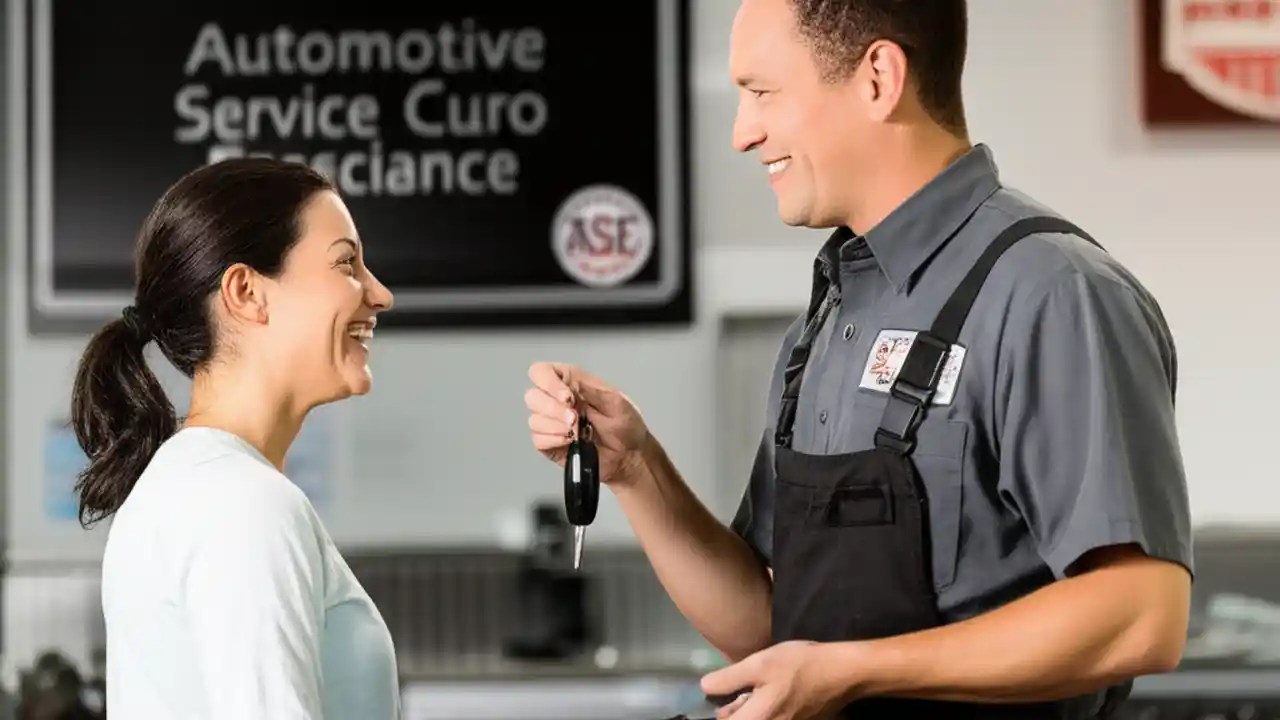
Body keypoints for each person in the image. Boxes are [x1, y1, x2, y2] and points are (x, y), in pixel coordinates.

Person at [524, 1, 1193, 718]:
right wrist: (637, 468)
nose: (743, 133)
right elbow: (769, 629)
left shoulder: (1050, 293)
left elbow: (1141, 614)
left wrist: (852, 672)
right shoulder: (830, 319)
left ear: (878, 77)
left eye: (761, 92)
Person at [69, 157, 399, 719]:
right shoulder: (244, 503)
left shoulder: (189, 482)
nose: (380, 294)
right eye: (346, 264)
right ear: (247, 292)